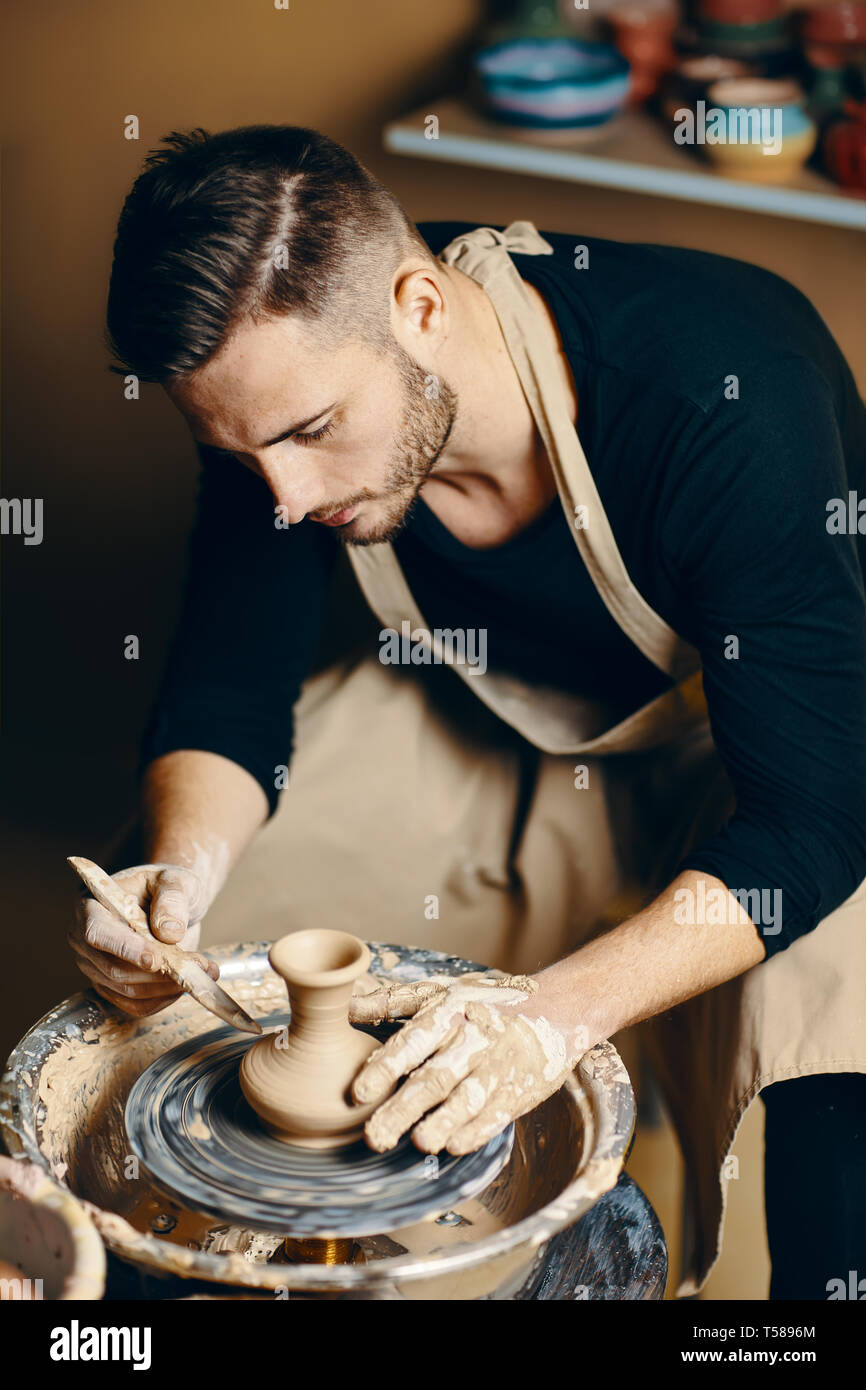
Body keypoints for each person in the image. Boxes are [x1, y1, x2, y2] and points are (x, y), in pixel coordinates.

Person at [69, 124, 866, 1298]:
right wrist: (176, 882)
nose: (281, 499)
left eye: (306, 435)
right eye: (242, 458)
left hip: (786, 752)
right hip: (498, 715)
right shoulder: (272, 387)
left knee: (833, 1062)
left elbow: (812, 822)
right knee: (194, 957)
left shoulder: (724, 391)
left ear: (419, 309)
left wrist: (550, 1017)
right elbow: (228, 686)